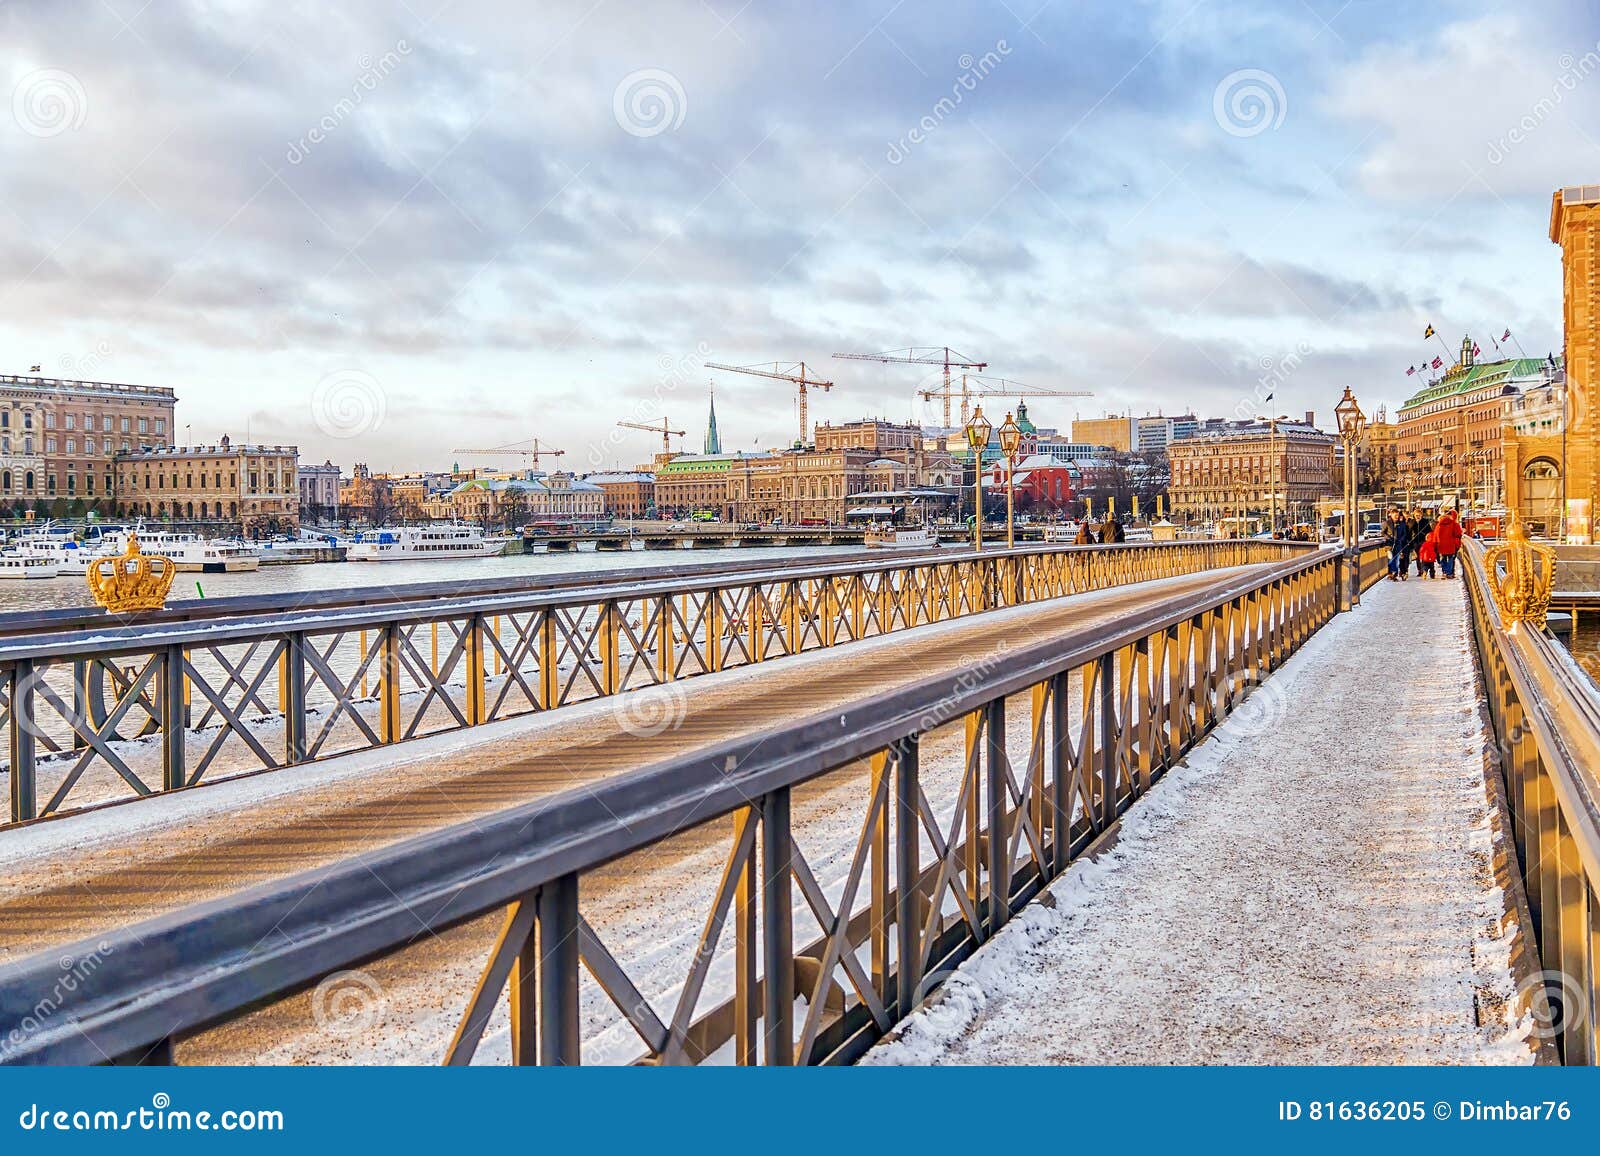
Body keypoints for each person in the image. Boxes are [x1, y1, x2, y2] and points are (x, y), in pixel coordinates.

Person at [1434, 507, 1463, 579]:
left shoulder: (1439, 524)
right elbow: (1458, 534)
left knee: (1443, 557)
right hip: (1450, 544)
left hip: (1441, 544)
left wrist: (1436, 544)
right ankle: (1449, 573)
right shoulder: (1454, 524)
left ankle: (1444, 571)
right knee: (1450, 558)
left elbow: (1436, 534)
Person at [1385, 509, 1411, 581]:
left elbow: (1404, 533)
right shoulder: (1387, 523)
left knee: (1396, 559)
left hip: (1398, 544)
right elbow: (1383, 532)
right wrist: (1389, 537)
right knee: (1391, 559)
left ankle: (1394, 573)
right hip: (1389, 545)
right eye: (1395, 515)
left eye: (1397, 515)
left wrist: (1400, 539)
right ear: (1391, 515)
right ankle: (1392, 572)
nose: (1396, 517)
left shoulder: (1401, 524)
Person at [1412, 510, 1433, 577]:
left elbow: (1430, 531)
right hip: (1415, 541)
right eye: (1416, 515)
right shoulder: (1412, 522)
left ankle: (1424, 569)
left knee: (1424, 556)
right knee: (1418, 557)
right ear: (1414, 515)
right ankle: (1420, 570)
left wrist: (1425, 535)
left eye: (1419, 515)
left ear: (1421, 515)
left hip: (1423, 541)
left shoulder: (1425, 521)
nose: (1418, 517)